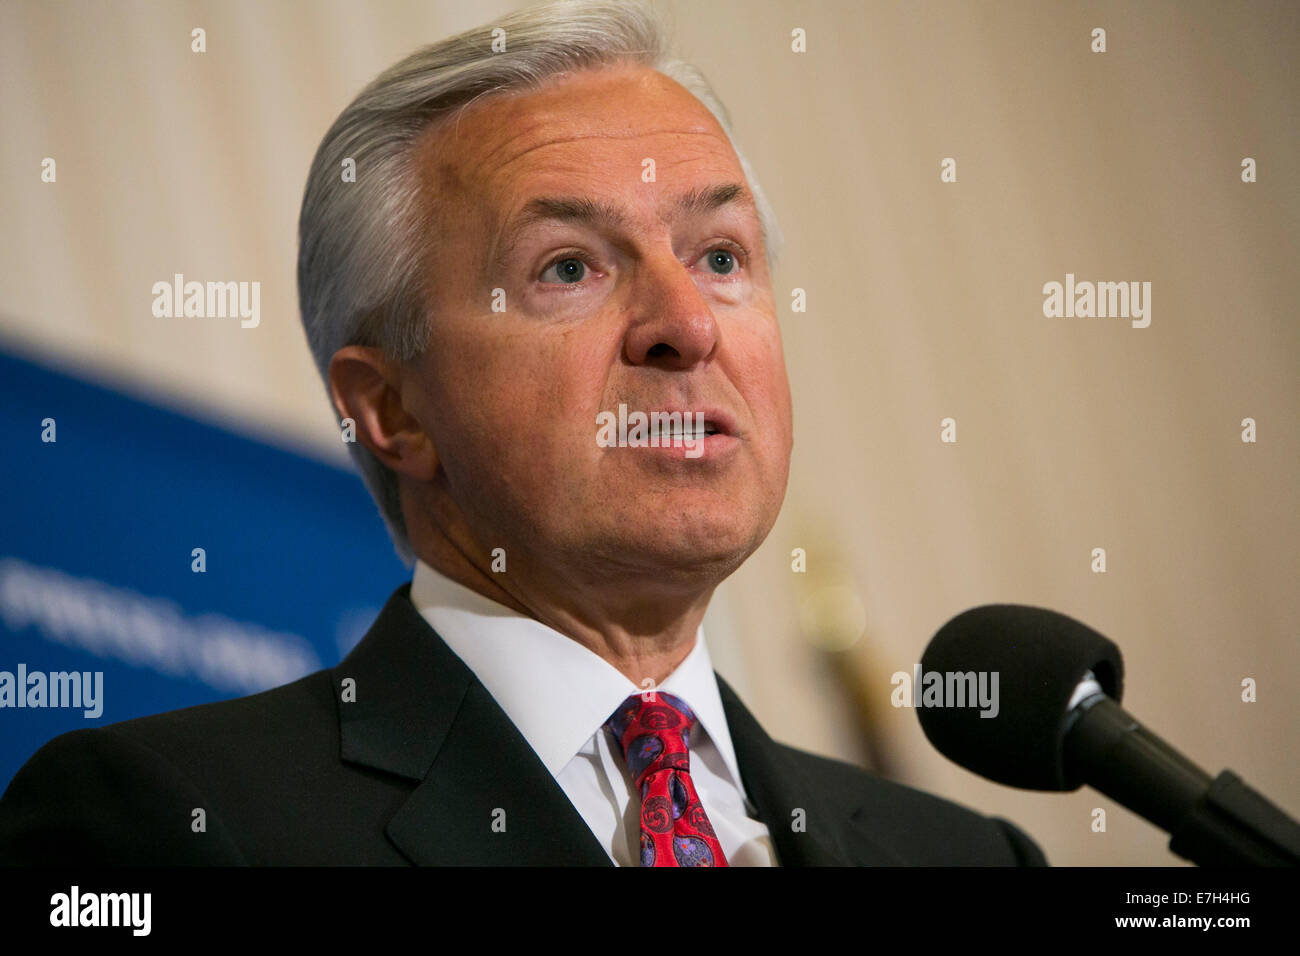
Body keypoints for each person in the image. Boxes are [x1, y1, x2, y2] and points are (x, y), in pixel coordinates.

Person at [0, 0, 1046, 866]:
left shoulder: (966, 856)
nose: (685, 324)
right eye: (567, 267)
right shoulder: (163, 822)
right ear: (391, 408)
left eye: (721, 257)